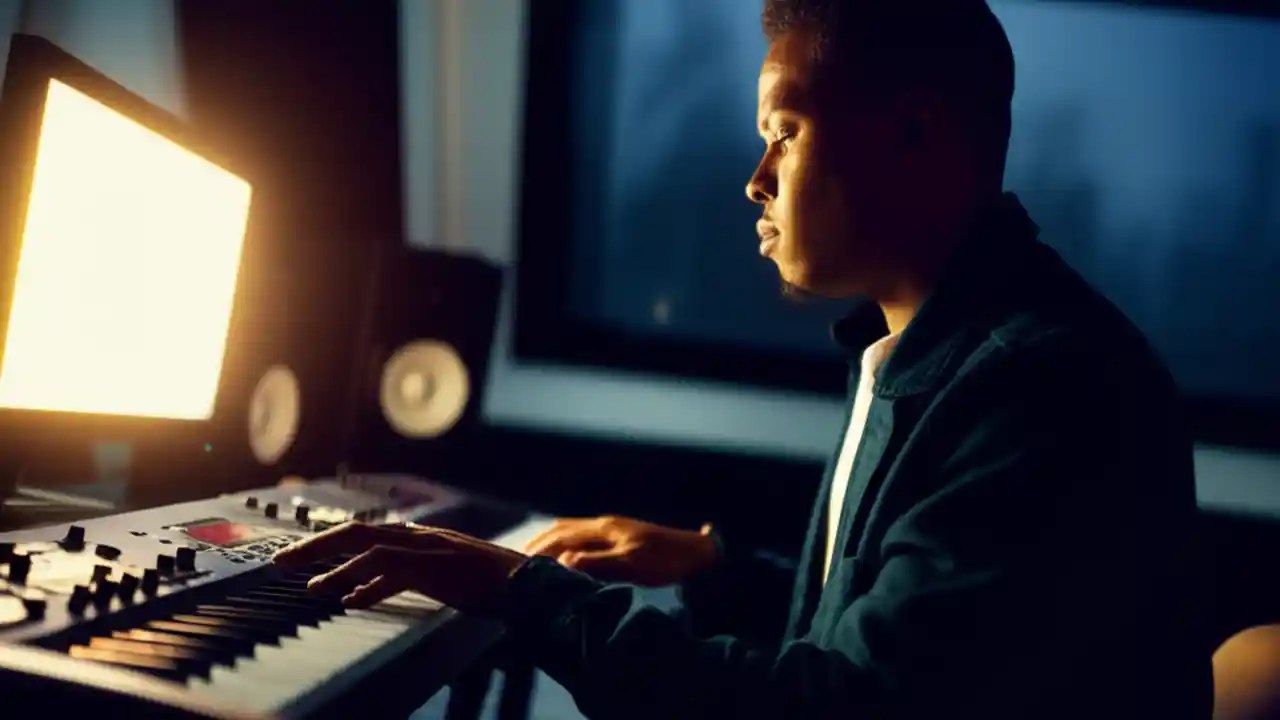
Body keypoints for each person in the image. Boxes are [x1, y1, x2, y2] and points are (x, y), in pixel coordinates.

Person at [273, 1, 1212, 717]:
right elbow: (889, 629)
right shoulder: (940, 352)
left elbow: (841, 702)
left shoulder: (1037, 390)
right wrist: (709, 565)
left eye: (784, 134)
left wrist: (521, 590)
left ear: (916, 135)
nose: (754, 180)